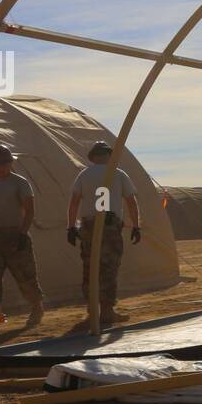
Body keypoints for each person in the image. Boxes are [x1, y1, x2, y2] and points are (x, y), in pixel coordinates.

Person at [66, 140, 141, 327]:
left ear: (93, 157)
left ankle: (93, 310)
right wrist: (136, 226)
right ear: (109, 156)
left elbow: (74, 201)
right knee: (108, 268)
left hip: (89, 225)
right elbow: (131, 201)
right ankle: (107, 311)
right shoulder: (118, 174)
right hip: (109, 226)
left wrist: (71, 227)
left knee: (90, 267)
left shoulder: (84, 175)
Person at [0, 145, 44, 332]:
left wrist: (22, 234)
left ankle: (36, 308)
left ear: (10, 163)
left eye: (3, 164)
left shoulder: (21, 183)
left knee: (25, 276)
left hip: (16, 233)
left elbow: (30, 211)